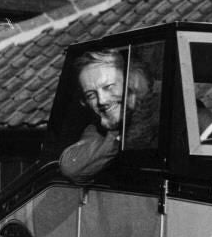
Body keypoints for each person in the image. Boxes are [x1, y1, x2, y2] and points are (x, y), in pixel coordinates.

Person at [59, 50, 152, 182]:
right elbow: (71, 166)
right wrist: (115, 132)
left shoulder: (160, 109)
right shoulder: (100, 129)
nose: (101, 100)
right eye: (91, 95)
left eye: (108, 87)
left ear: (132, 82)